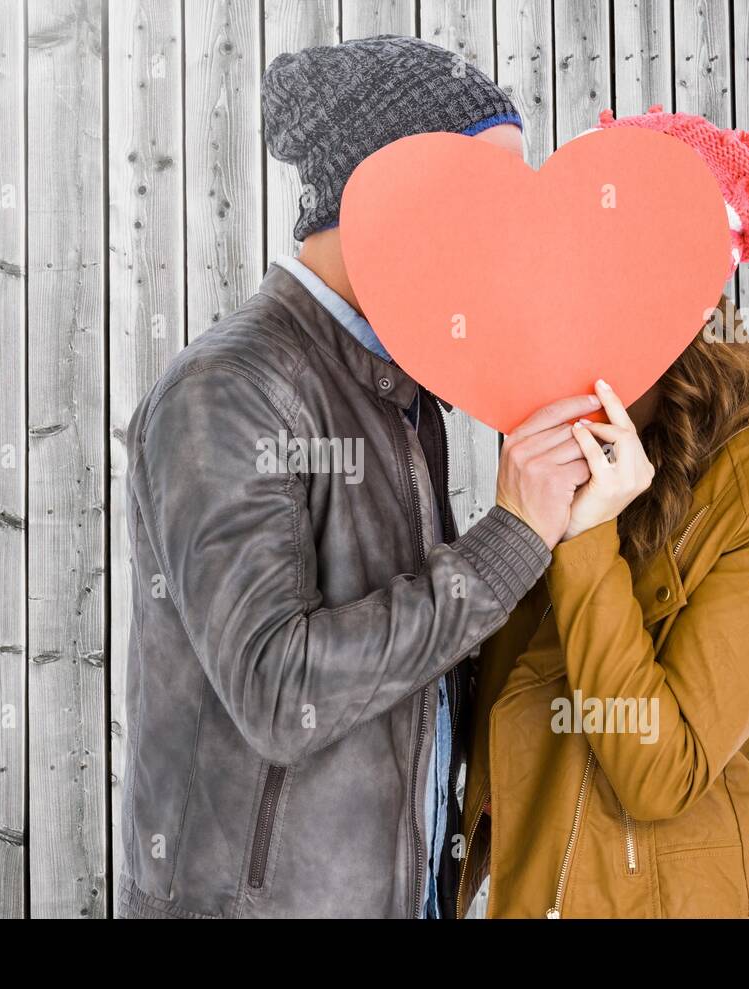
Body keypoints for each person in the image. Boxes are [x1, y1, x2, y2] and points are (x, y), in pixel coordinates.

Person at [117, 35, 591, 919]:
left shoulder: (401, 389)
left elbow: (422, 668)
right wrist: (509, 542)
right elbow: (279, 688)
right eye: (483, 199)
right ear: (389, 196)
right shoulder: (228, 391)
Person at [457, 110, 749, 919]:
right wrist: (512, 531)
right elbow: (489, 712)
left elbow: (658, 772)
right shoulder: (550, 439)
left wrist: (589, 536)